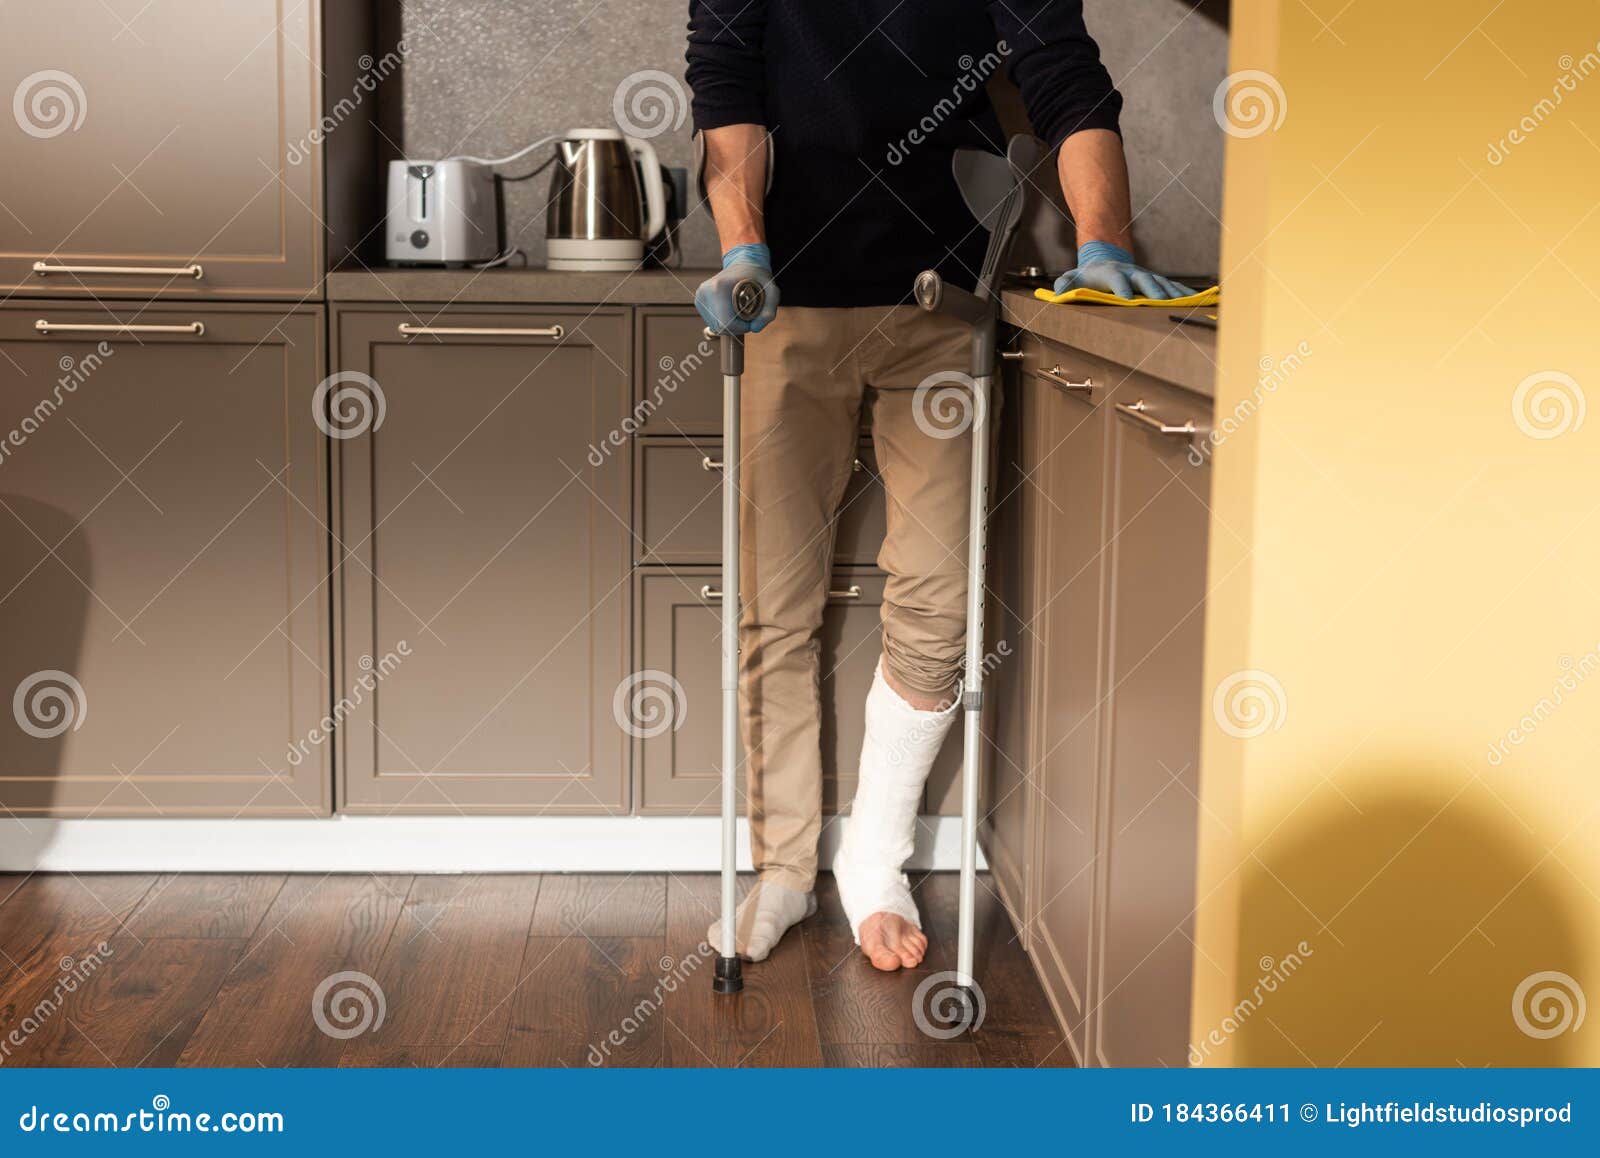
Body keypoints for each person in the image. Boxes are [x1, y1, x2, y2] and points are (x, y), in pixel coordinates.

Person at [686, 1, 1193, 972]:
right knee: (774, 609)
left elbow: (1066, 81)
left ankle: (874, 867)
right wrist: (743, 247)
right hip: (786, 305)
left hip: (944, 305)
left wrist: (1104, 241)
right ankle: (784, 871)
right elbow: (726, 90)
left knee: (936, 607)